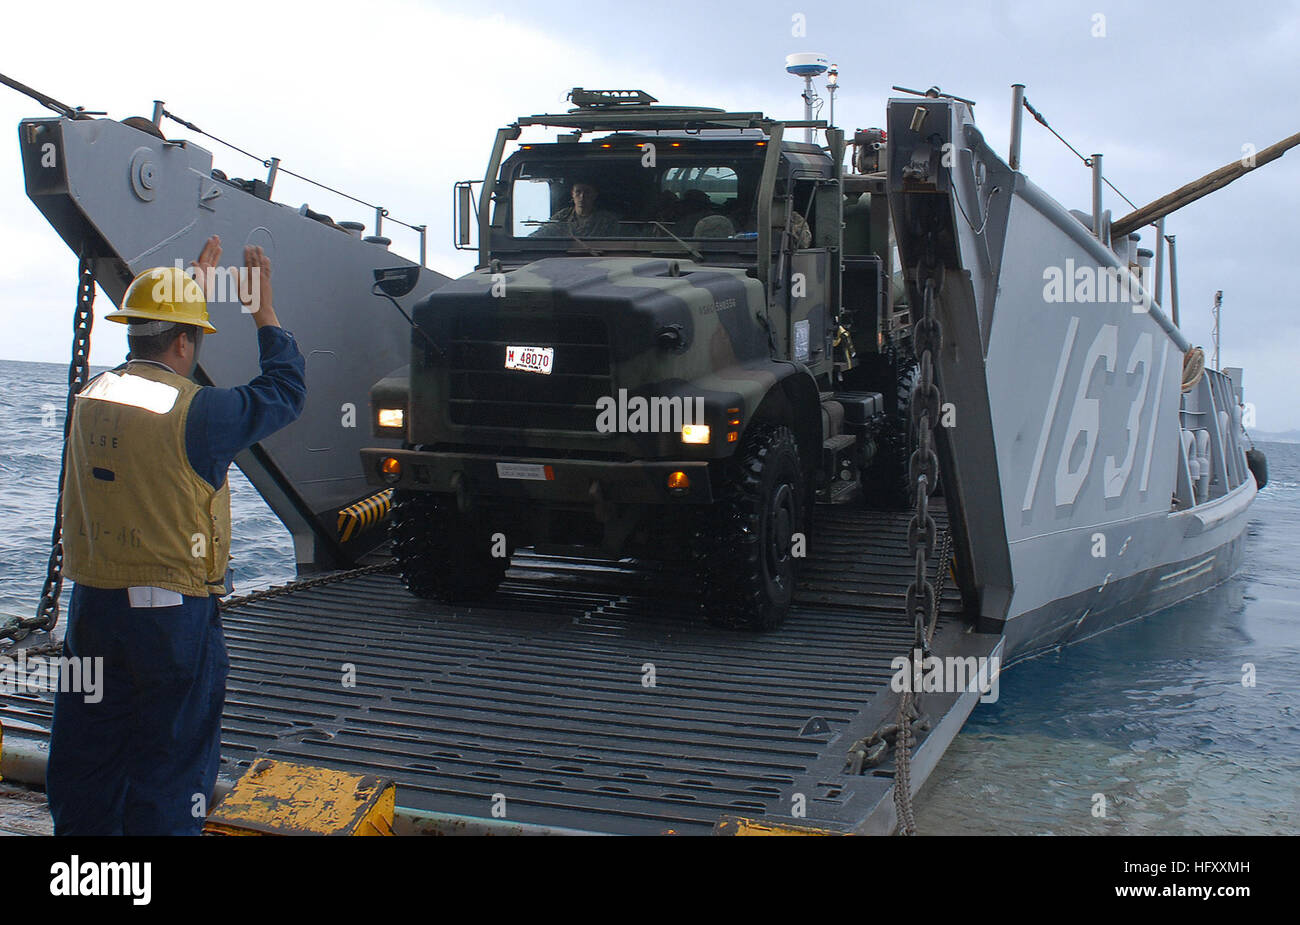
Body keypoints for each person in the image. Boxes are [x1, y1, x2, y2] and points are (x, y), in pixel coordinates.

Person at [46, 235, 306, 835]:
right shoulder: (202, 416)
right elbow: (285, 391)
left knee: (87, 762)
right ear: (186, 341)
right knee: (170, 766)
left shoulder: (92, 397)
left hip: (91, 612)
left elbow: (164, 389)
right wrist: (262, 310)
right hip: (168, 622)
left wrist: (189, 299)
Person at [531, 179, 619, 238]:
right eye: (578, 192)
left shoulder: (606, 219)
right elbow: (545, 231)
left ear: (594, 195)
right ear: (572, 194)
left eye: (587, 192)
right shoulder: (563, 216)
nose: (582, 197)